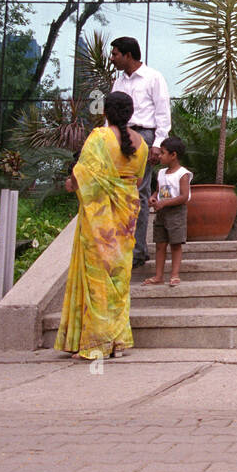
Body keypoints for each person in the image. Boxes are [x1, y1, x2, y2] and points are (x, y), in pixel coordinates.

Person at [56, 91, 148, 360]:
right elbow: (138, 178)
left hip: (102, 216)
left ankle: (96, 343)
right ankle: (118, 341)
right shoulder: (142, 144)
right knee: (119, 276)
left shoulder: (100, 137)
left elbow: (84, 172)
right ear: (131, 113)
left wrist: (72, 183)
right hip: (127, 213)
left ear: (105, 112)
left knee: (98, 273)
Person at [109, 36, 171, 268]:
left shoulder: (153, 77)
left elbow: (163, 112)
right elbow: (111, 113)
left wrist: (158, 142)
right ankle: (120, 247)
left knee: (139, 192)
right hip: (119, 135)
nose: (112, 58)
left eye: (115, 54)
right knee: (119, 192)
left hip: (144, 136)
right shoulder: (119, 82)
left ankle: (137, 250)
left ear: (128, 55)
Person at [144, 136, 192, 288]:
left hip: (176, 212)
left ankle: (174, 274)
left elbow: (184, 197)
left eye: (163, 153)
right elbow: (158, 191)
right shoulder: (161, 173)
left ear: (173, 155)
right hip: (161, 213)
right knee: (160, 244)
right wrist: (153, 198)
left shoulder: (183, 174)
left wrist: (164, 203)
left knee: (176, 244)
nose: (159, 156)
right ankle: (159, 276)